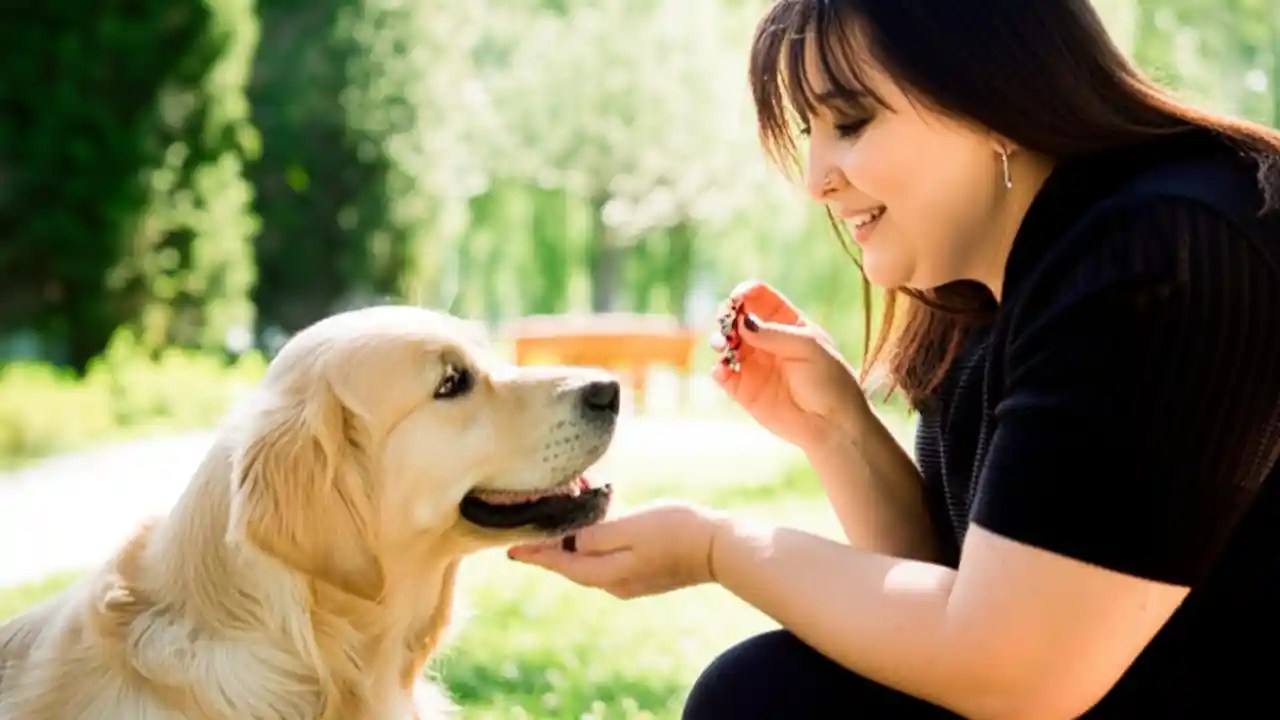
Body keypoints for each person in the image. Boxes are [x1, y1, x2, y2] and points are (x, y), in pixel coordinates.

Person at [508, 1, 1280, 717]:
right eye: (809, 133)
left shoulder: (1167, 252)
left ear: (993, 93)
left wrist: (717, 547)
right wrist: (838, 429)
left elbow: (1014, 671)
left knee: (765, 697)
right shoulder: (983, 289)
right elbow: (942, 624)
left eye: (849, 121)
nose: (816, 181)